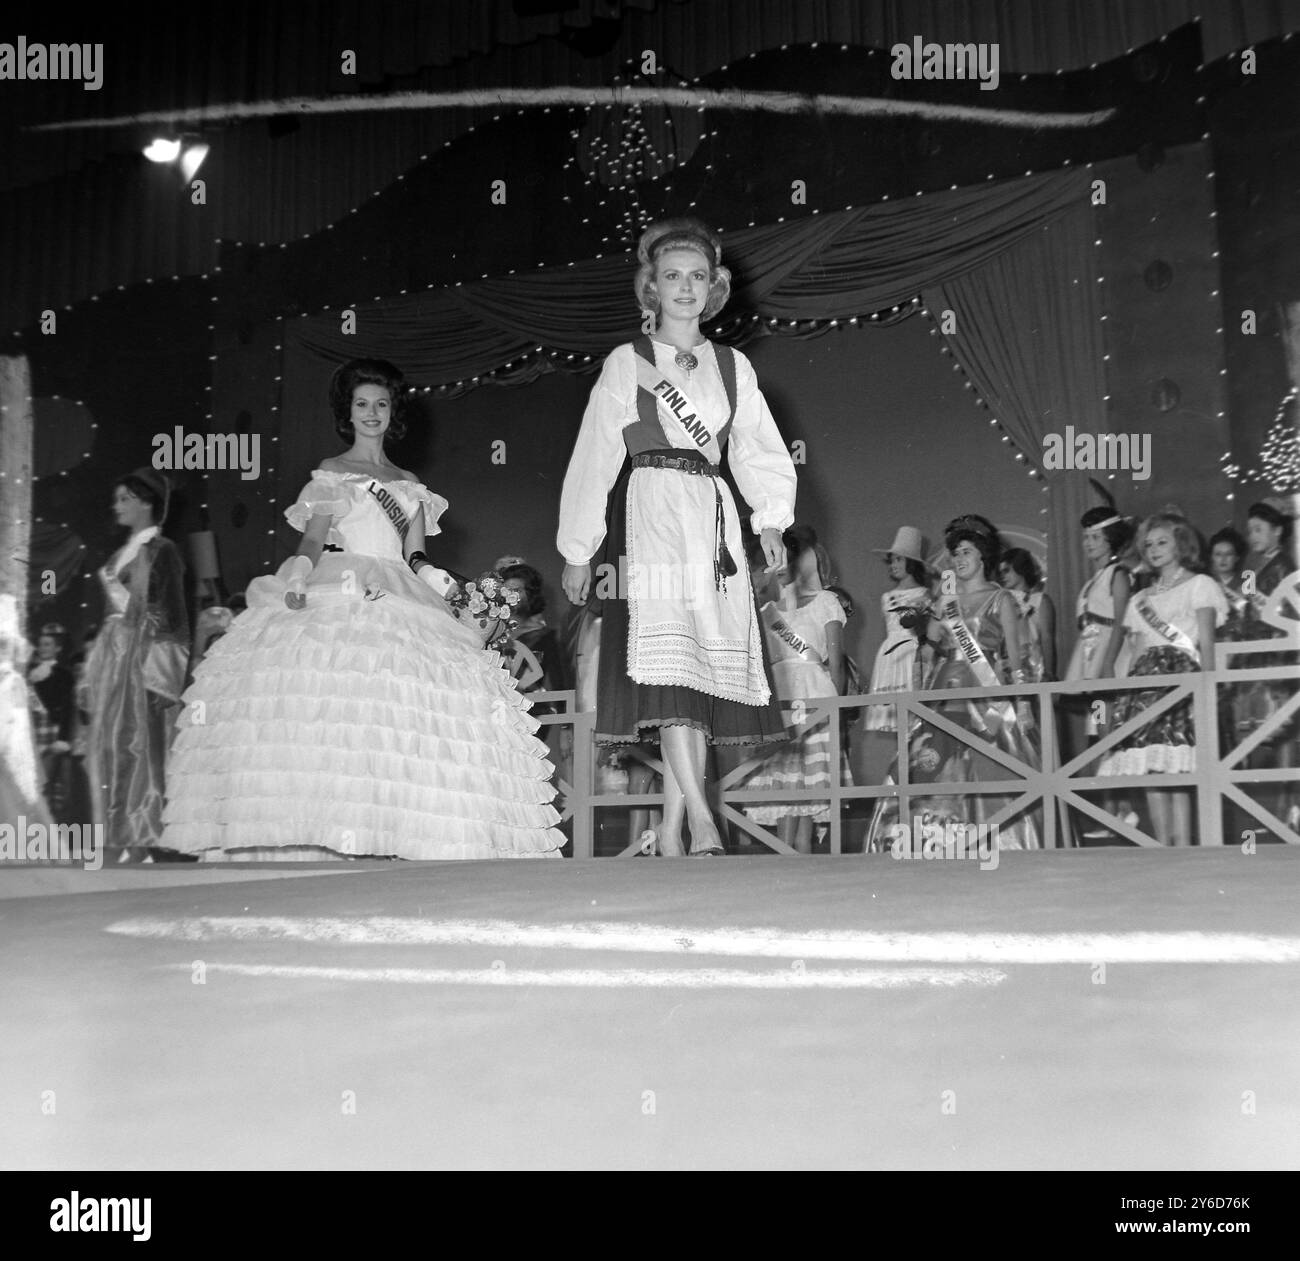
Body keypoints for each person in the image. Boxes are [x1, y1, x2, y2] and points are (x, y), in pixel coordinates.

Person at [163, 358, 564, 860]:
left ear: (392, 411)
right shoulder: (333, 474)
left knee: (407, 711)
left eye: (380, 403)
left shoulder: (408, 482)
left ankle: (398, 836)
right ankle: (321, 832)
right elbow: (312, 541)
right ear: (347, 412)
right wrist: (296, 575)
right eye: (361, 404)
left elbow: (415, 557)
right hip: (340, 579)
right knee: (338, 705)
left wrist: (450, 591)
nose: (371, 413)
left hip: (400, 585)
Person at [558, 217, 797, 858]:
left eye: (697, 276)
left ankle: (669, 832)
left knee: (697, 672)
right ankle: (701, 819)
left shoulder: (731, 364)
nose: (685, 288)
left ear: (713, 286)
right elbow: (594, 455)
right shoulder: (625, 363)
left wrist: (768, 517)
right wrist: (578, 548)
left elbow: (756, 448)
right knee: (669, 671)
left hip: (712, 518)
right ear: (651, 289)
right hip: (653, 513)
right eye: (672, 277)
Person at [866, 517, 1040, 852]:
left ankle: (991, 842)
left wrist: (1023, 704)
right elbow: (931, 650)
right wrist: (927, 636)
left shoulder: (1002, 599)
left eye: (966, 552)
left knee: (986, 763)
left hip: (986, 693)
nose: (959, 559)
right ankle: (925, 839)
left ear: (982, 557)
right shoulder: (944, 601)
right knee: (925, 759)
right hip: (945, 690)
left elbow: (1016, 659)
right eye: (955, 553)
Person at [1098, 513, 1226, 846]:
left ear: (1181, 544)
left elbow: (1207, 646)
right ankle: (1161, 848)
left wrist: (1209, 693)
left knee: (1177, 771)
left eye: (1162, 542)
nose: (1153, 549)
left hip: (1182, 683)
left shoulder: (1200, 585)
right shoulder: (1141, 599)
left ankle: (1183, 848)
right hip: (1144, 688)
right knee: (1150, 770)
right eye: (1149, 544)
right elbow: (1137, 649)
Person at [83, 468, 189, 860]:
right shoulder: (121, 553)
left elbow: (174, 617)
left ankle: (140, 836)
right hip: (112, 655)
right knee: (108, 746)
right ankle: (115, 836)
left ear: (146, 503)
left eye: (125, 498)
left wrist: (162, 676)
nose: (116, 505)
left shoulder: (162, 550)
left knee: (135, 744)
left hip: (139, 656)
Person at [739, 529, 851, 853]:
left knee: (809, 785)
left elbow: (837, 663)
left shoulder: (826, 602)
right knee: (786, 779)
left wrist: (839, 711)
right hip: (779, 692)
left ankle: (802, 853)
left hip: (816, 692)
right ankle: (785, 854)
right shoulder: (765, 609)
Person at [864, 526, 933, 731]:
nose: (893, 565)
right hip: (890, 651)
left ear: (911, 563)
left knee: (913, 711)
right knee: (894, 713)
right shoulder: (887, 597)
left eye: (898, 559)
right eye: (892, 560)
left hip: (912, 651)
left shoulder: (924, 594)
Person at [1065, 507, 1135, 682]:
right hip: (1089, 649)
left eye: (1095, 537)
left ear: (1110, 540)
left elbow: (1121, 623)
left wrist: (1109, 662)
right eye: (1086, 537)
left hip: (1110, 652)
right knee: (1088, 705)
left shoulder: (1118, 575)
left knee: (1105, 705)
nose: (1088, 543)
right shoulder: (1093, 580)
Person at [27, 623, 75, 819]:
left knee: (45, 783)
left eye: (47, 644)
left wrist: (63, 738)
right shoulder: (27, 673)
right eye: (40, 644)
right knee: (28, 784)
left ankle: (45, 833)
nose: (42, 648)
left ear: (58, 648)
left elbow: (67, 708)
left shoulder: (64, 674)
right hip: (30, 731)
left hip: (51, 731)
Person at [999, 547, 1057, 681]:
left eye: (1007, 570)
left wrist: (1049, 674)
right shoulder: (999, 601)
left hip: (1034, 668)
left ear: (1021, 568)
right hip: (1005, 668)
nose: (1003, 576)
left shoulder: (1040, 600)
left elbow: (1047, 639)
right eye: (1000, 572)